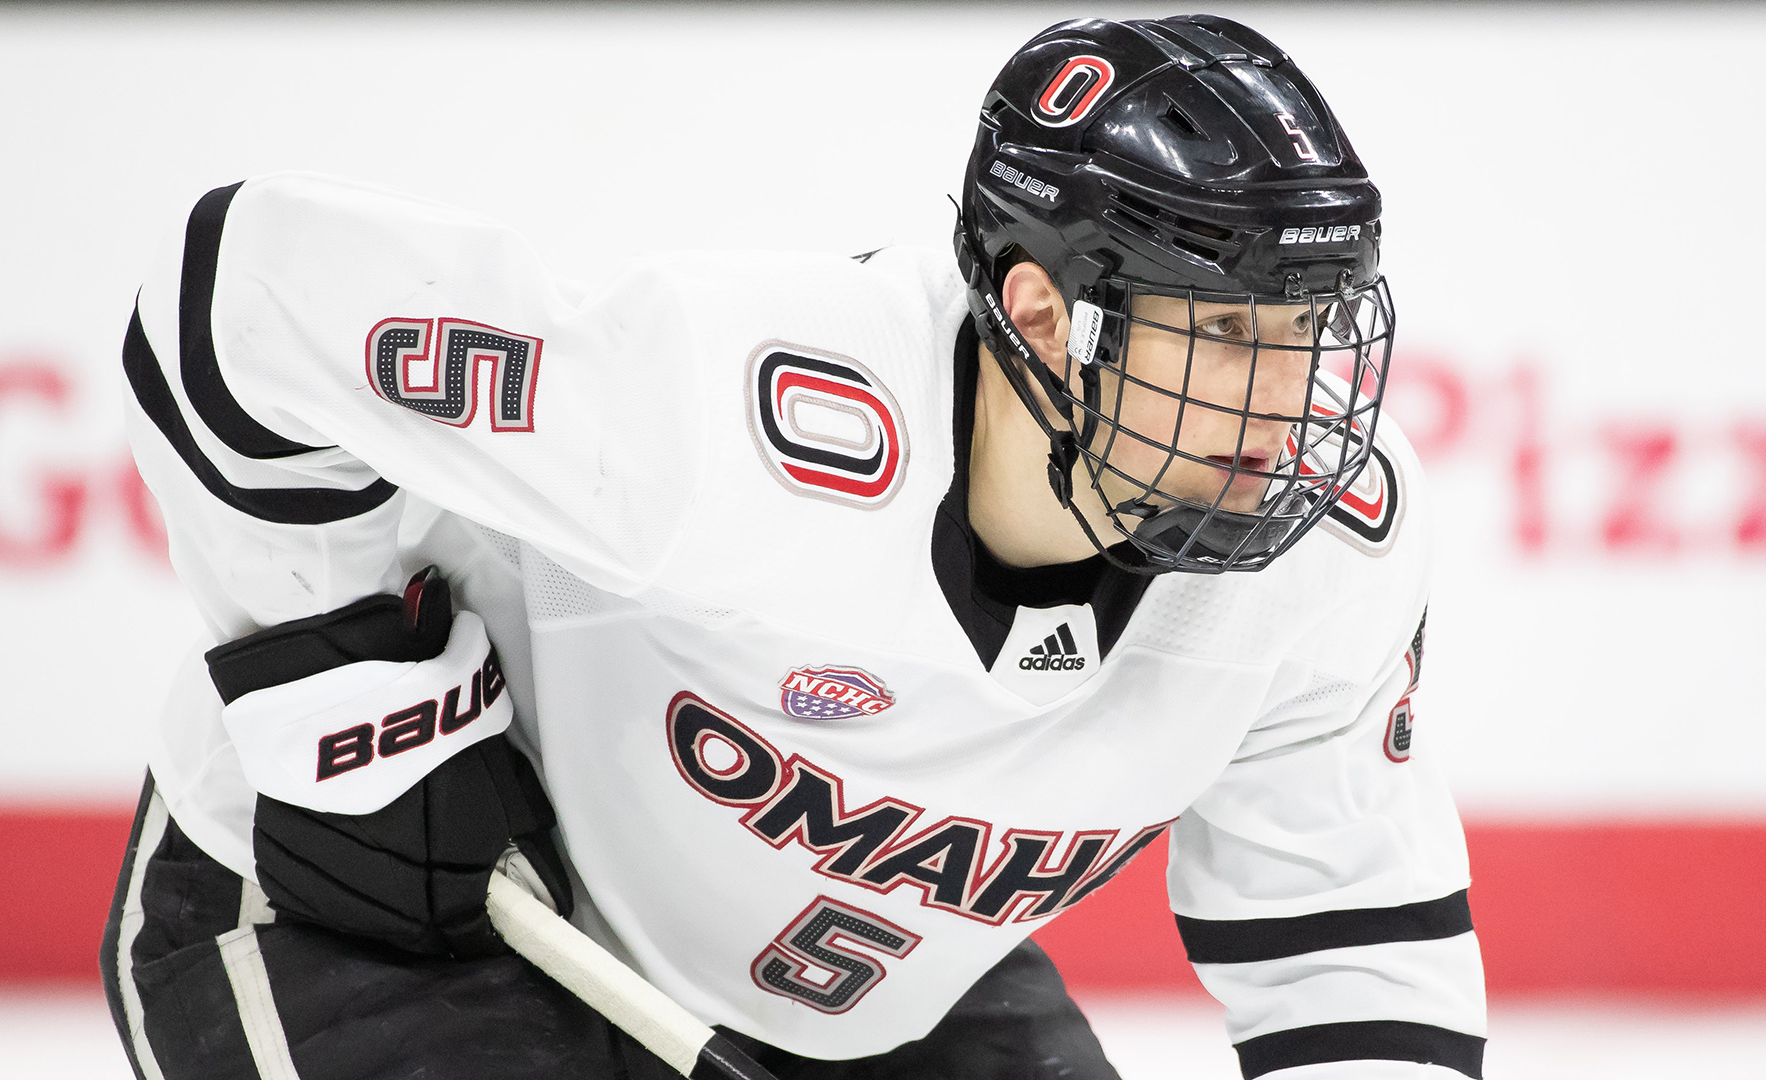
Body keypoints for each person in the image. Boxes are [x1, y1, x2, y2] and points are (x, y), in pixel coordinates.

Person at [101, 15, 1484, 1080]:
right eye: (1231, 332)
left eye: (1310, 335)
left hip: (854, 1004)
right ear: (1047, 316)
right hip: (393, 916)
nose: (1288, 402)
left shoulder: (1333, 554)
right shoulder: (744, 418)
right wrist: (363, 721)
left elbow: (1355, 950)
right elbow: (246, 292)